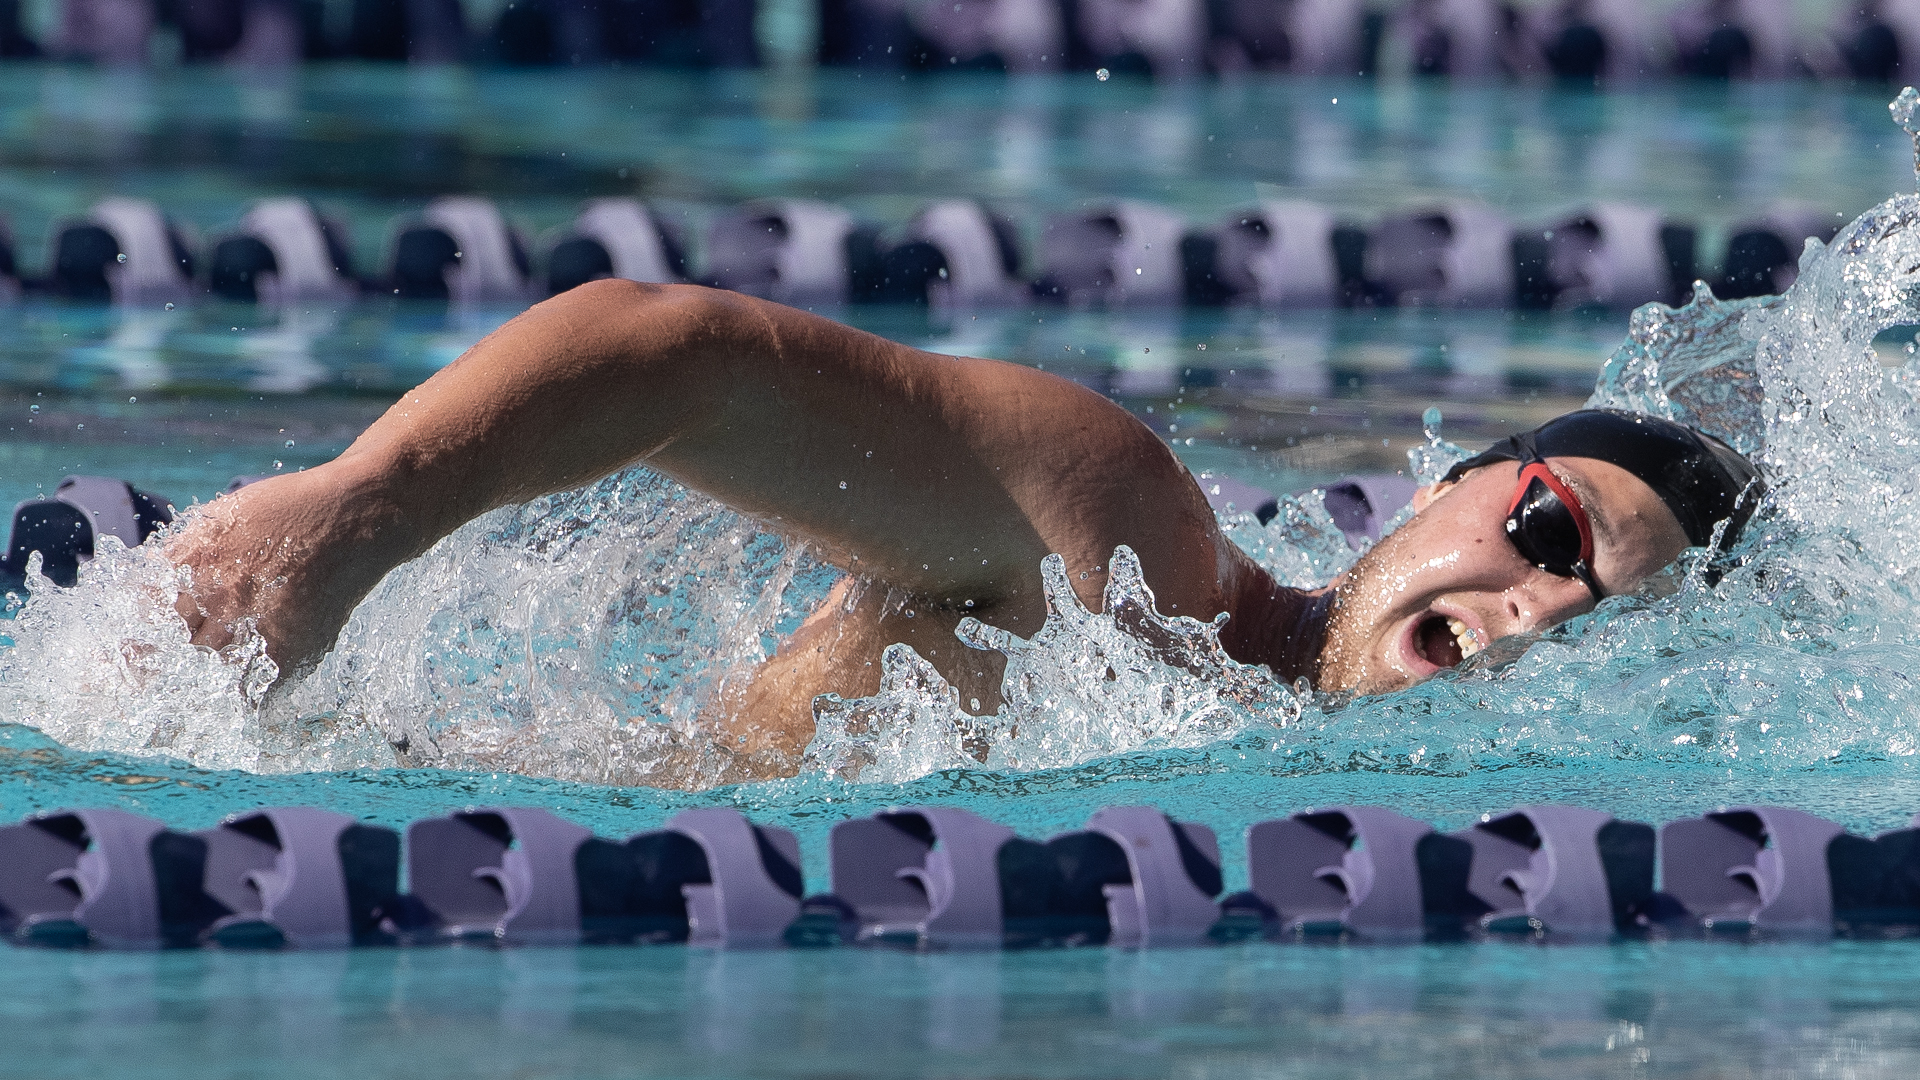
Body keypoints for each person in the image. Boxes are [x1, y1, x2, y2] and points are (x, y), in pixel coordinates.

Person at [164, 280, 1759, 772]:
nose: (1543, 609)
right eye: (1553, 535)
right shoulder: (1125, 551)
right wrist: (359, 513)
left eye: (1599, 618)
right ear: (1447, 485)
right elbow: (680, 354)